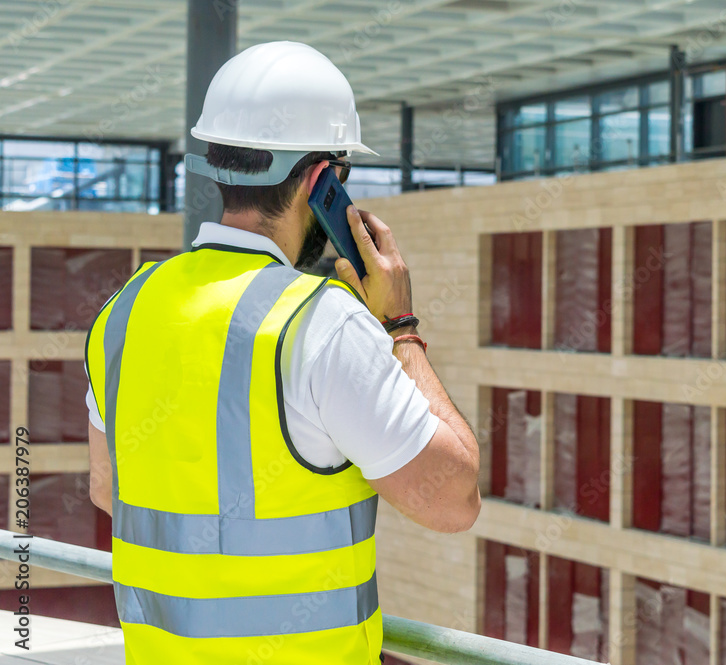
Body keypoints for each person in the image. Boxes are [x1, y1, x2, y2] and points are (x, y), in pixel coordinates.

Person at [85, 41, 480, 665]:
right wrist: (401, 326)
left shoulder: (125, 312)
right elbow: (454, 500)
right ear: (324, 181)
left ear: (219, 166)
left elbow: (110, 490)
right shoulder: (322, 322)